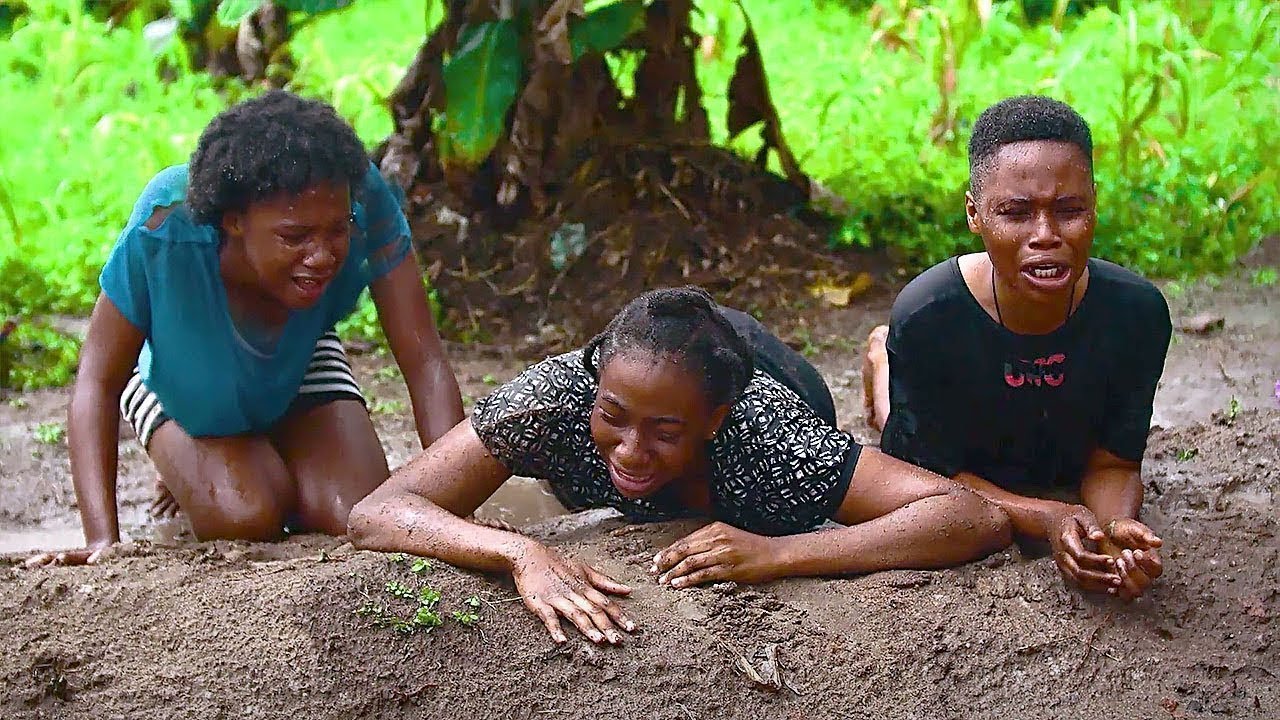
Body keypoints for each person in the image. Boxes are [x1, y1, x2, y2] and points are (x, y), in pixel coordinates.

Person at [349, 286, 1011, 645]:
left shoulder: (768, 435)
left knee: (892, 433)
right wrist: (520, 553)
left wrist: (780, 554)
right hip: (669, 354)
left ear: (712, 423)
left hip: (771, 373)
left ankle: (880, 363)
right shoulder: (553, 398)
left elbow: (971, 516)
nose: (631, 450)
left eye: (664, 433)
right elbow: (377, 511)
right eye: (612, 416)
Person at [25, 90, 463, 567]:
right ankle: (186, 450)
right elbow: (96, 380)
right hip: (180, 367)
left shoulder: (359, 197)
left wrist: (455, 515)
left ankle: (252, 449)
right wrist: (101, 541)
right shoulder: (166, 227)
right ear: (234, 221)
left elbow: (424, 361)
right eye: (294, 237)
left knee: (356, 510)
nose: (322, 256)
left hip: (298, 349)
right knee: (246, 512)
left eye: (337, 231)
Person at [861, 95, 1172, 601]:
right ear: (975, 213)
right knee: (891, 419)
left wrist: (1113, 532)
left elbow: (1113, 464)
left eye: (1069, 211)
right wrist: (1049, 516)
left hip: (1049, 447)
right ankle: (883, 356)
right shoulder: (928, 316)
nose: (1045, 236)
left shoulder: (1136, 314)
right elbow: (929, 474)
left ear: (1094, 204)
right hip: (955, 447)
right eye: (1015, 213)